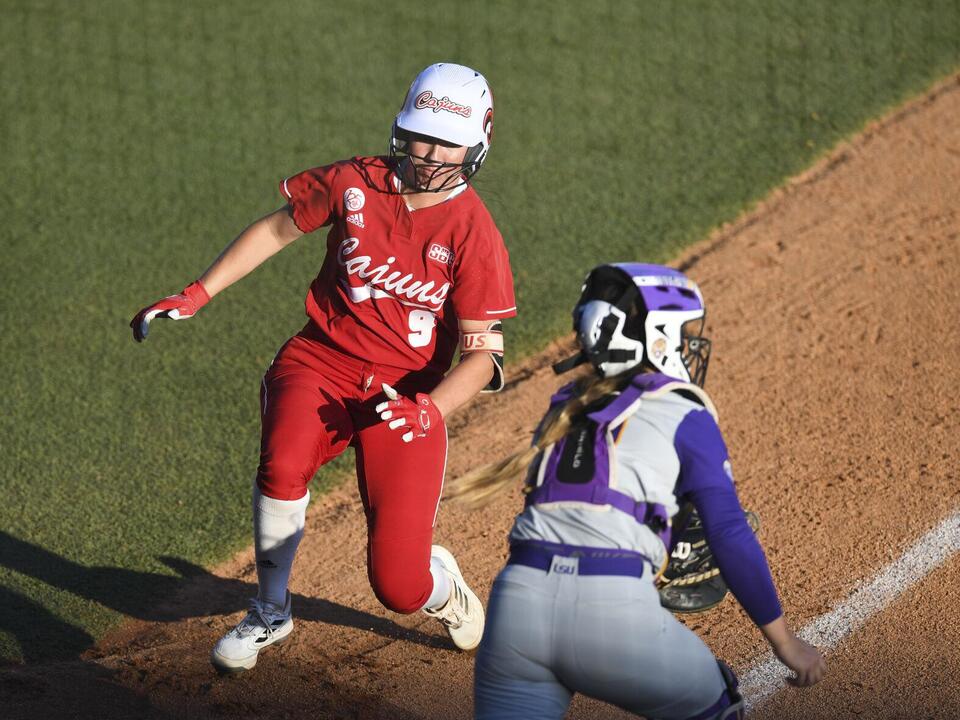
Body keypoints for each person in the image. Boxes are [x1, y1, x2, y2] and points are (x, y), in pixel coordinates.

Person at [130, 62, 515, 673]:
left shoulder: (474, 232)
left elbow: (482, 355)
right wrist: (198, 292)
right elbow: (277, 228)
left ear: (476, 145)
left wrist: (430, 408)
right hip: (322, 359)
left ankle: (441, 587)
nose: (430, 152)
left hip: (406, 398)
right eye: (421, 134)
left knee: (399, 588)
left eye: (447, 142)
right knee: (283, 462)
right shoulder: (355, 182)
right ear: (401, 127)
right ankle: (270, 609)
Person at [447, 263, 824, 719]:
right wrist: (784, 643)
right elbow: (727, 530)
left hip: (516, 611)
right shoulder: (684, 414)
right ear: (656, 336)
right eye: (679, 334)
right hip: (610, 618)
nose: (686, 345)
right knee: (717, 705)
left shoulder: (563, 408)